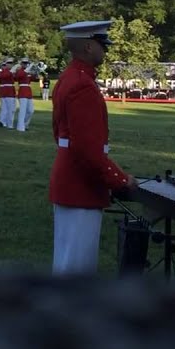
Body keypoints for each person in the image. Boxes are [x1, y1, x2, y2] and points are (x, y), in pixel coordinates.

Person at [50, 20, 138, 276]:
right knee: (77, 265)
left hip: (69, 175)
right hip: (81, 183)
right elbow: (88, 151)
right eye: (102, 45)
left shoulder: (69, 78)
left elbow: (59, 133)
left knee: (67, 258)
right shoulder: (82, 85)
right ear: (88, 47)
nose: (105, 50)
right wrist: (120, 180)